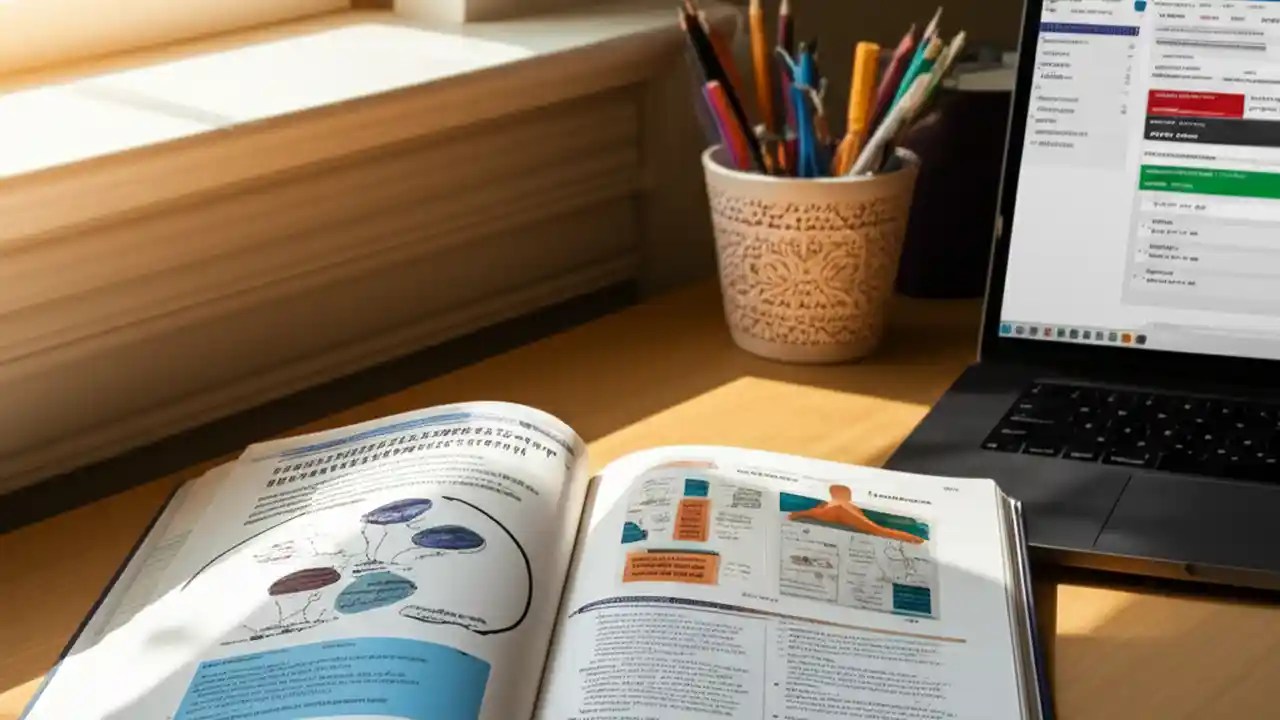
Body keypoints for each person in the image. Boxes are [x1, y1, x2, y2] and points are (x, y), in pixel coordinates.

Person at [788, 484, 926, 544]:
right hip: (843, 515)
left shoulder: (837, 506)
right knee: (880, 531)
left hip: (844, 515)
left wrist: (797, 514)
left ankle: (912, 538)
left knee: (880, 531)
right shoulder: (839, 506)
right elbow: (810, 512)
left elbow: (808, 512)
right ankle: (912, 538)